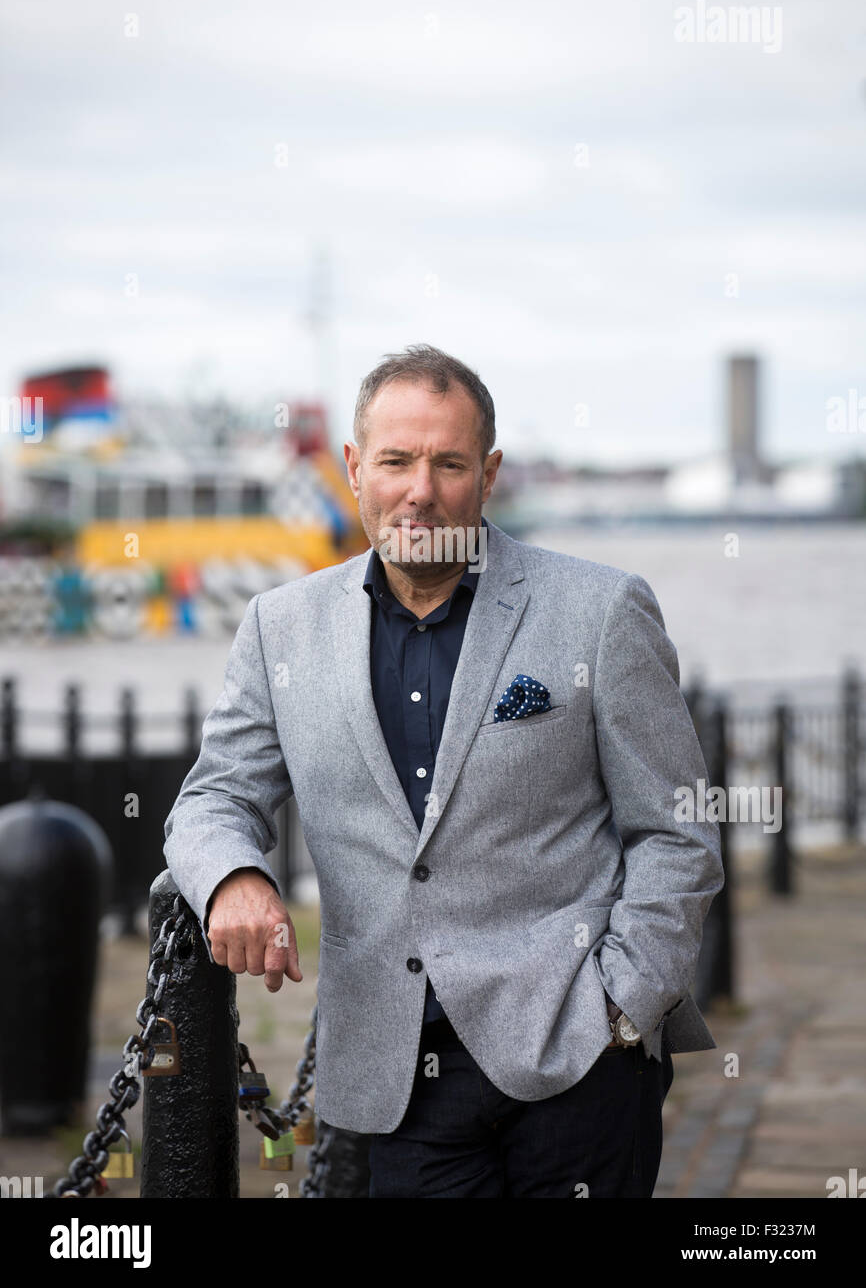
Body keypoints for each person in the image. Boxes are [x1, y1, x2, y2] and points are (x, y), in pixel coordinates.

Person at [163, 343, 724, 1198]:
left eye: (448, 463)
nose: (419, 490)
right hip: (397, 1075)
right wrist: (234, 877)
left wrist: (624, 1006)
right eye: (395, 460)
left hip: (579, 1056)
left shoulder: (599, 611)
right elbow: (214, 796)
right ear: (354, 467)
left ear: (487, 473)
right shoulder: (282, 628)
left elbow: (676, 829)